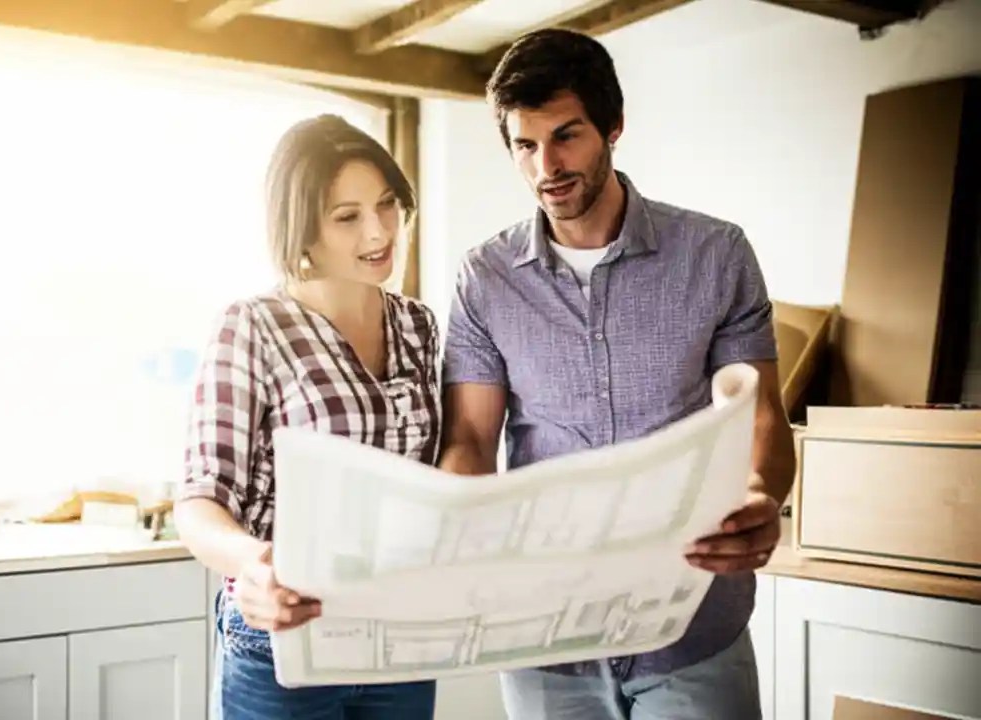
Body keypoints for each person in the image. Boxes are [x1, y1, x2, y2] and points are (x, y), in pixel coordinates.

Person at [437, 29, 796, 719]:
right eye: (524, 144)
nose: (547, 165)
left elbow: (759, 415)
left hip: (694, 628)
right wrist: (465, 530)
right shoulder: (484, 278)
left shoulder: (716, 255)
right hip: (547, 638)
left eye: (567, 135)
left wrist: (760, 494)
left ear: (613, 126)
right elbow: (471, 442)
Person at [175, 114, 441, 720]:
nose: (378, 231)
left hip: (399, 634)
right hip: (283, 640)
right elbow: (197, 503)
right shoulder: (252, 325)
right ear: (301, 228)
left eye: (386, 204)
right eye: (346, 217)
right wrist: (253, 564)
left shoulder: (419, 326)